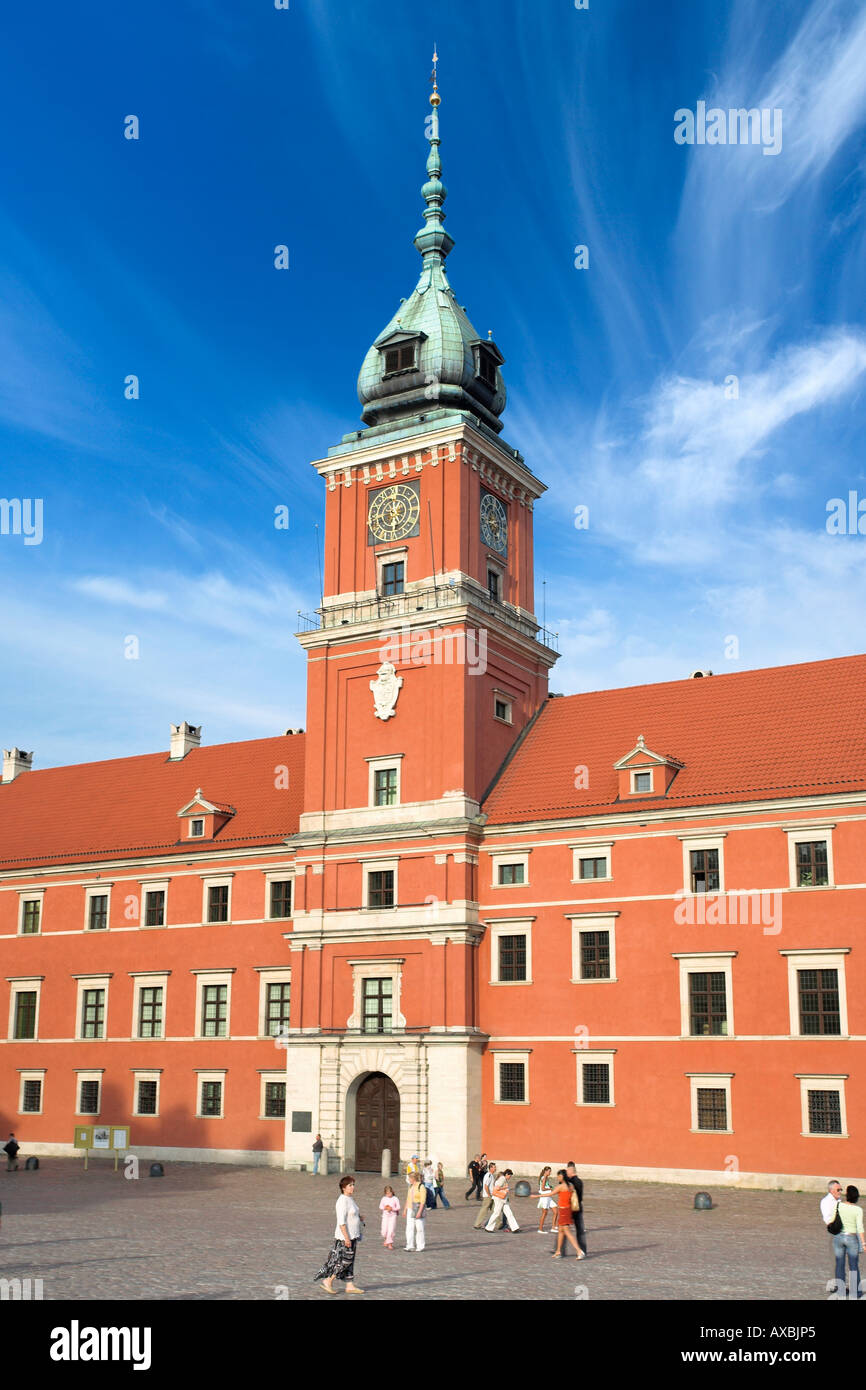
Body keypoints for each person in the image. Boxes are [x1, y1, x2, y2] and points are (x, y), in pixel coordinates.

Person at [314, 1174, 365, 1294]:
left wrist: (359, 1218)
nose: (352, 1187)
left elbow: (351, 1215)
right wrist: (346, 1238)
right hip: (345, 1237)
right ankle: (328, 1280)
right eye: (350, 1185)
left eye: (353, 1185)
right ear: (343, 1187)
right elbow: (341, 1221)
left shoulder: (350, 1199)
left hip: (353, 1235)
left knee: (350, 1261)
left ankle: (350, 1285)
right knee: (344, 1261)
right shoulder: (342, 1201)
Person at [834, 1185, 866, 1299]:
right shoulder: (858, 1210)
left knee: (839, 1264)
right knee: (853, 1266)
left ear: (847, 1195)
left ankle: (841, 1291)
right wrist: (864, 1243)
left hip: (838, 1237)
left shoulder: (839, 1205)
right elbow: (860, 1227)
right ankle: (855, 1292)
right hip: (851, 1238)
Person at [551, 1170, 584, 1259]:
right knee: (561, 1231)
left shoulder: (561, 1186)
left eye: (558, 1176)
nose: (558, 1178)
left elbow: (551, 1193)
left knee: (567, 1232)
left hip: (563, 1211)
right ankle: (558, 1251)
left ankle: (579, 1251)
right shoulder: (571, 1186)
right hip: (567, 1210)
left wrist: (536, 1196)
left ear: (561, 1177)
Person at [485, 1167, 520, 1233]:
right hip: (499, 1199)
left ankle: (515, 1228)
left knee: (509, 1213)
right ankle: (488, 1227)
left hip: (503, 1199)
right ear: (506, 1174)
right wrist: (505, 1187)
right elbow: (497, 1188)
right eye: (510, 1175)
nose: (510, 1177)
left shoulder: (503, 1179)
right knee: (496, 1213)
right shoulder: (502, 1179)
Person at [565, 1161, 587, 1256]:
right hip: (579, 1207)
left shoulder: (570, 1182)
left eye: (567, 1171)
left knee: (564, 1228)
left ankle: (559, 1250)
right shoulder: (579, 1181)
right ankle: (583, 1250)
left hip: (570, 1207)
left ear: (571, 1172)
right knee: (580, 1231)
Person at [404, 1174, 427, 1251]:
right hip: (410, 1208)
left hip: (418, 1208)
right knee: (409, 1228)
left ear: (413, 1178)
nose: (408, 1180)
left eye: (409, 1178)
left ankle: (420, 1246)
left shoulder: (421, 1186)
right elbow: (408, 1198)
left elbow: (423, 1201)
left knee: (419, 1228)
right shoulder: (410, 1186)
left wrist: (419, 1212)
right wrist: (405, 1210)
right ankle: (409, 1245)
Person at [474, 1161, 498, 1229]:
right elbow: (486, 1186)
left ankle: (498, 1224)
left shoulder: (491, 1175)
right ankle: (477, 1224)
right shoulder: (489, 1175)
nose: (495, 1169)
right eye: (494, 1167)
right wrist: (489, 1195)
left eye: (495, 1167)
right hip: (488, 1196)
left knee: (495, 1210)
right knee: (484, 1210)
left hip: (492, 1196)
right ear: (490, 1168)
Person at [534, 1166, 556, 1233]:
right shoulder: (544, 1178)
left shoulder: (545, 1177)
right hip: (545, 1198)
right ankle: (540, 1229)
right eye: (549, 1171)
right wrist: (550, 1188)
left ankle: (553, 1227)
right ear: (546, 1171)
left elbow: (545, 1186)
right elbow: (543, 1188)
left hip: (548, 1197)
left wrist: (549, 1187)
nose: (550, 1172)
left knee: (556, 1211)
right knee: (544, 1213)